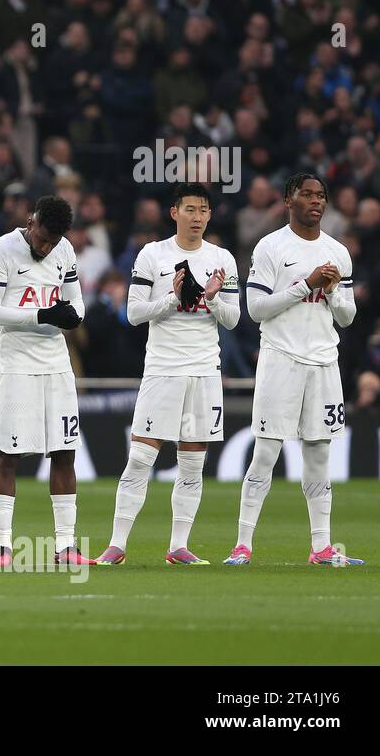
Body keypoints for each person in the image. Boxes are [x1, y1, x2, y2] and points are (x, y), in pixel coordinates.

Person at [96, 182, 240, 566]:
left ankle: (178, 546)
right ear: (174, 212)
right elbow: (133, 313)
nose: (197, 217)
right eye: (190, 209)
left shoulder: (222, 258)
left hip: (205, 371)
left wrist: (211, 298)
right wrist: (174, 298)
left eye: (203, 210)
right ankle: (117, 544)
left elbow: (234, 317)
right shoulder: (153, 254)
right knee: (141, 457)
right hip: (162, 369)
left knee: (193, 463)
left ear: (210, 215)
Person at [228, 173, 362, 566]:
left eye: (321, 195)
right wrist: (307, 283)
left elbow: (349, 317)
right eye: (307, 195)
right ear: (289, 199)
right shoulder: (270, 247)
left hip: (324, 363)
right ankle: (242, 544)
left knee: (319, 453)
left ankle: (321, 547)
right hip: (281, 359)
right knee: (266, 452)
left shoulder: (338, 251)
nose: (315, 201)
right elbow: (256, 309)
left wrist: (334, 290)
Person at [0, 195, 93, 567]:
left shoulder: (64, 250)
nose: (46, 247)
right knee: (8, 456)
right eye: (43, 238)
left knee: (64, 453)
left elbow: (77, 303)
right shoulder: (1, 250)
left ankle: (65, 546)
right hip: (16, 366)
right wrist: (41, 315)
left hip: (57, 366)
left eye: (54, 241)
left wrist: (72, 318)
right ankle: (2, 547)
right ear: (31, 222)